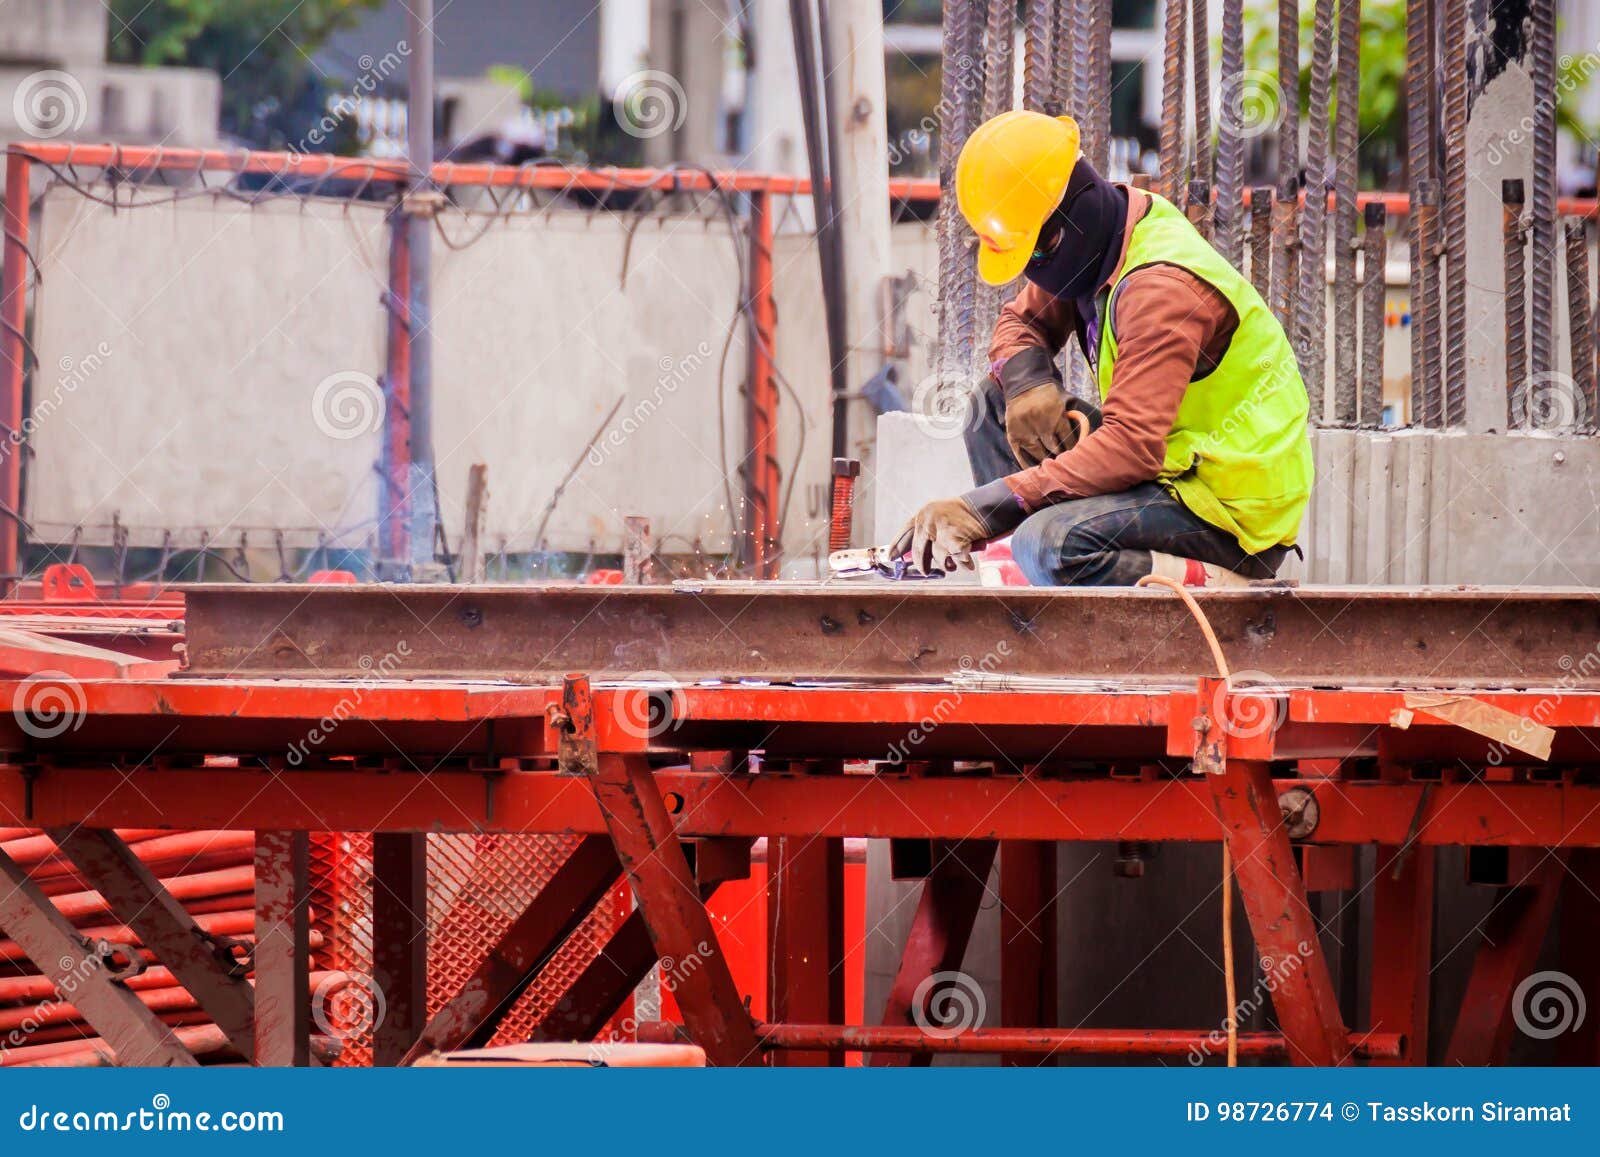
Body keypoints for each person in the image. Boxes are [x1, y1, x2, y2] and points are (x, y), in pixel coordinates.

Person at [892, 111, 1313, 587]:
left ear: (1077, 206)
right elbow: (1020, 321)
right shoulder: (1098, 239)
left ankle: (1219, 582)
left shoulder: (1160, 288)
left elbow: (1131, 447)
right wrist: (1028, 383)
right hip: (1168, 470)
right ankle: (1029, 593)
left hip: (1227, 510)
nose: (1035, 270)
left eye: (1038, 249)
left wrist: (985, 508)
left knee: (1048, 544)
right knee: (989, 405)